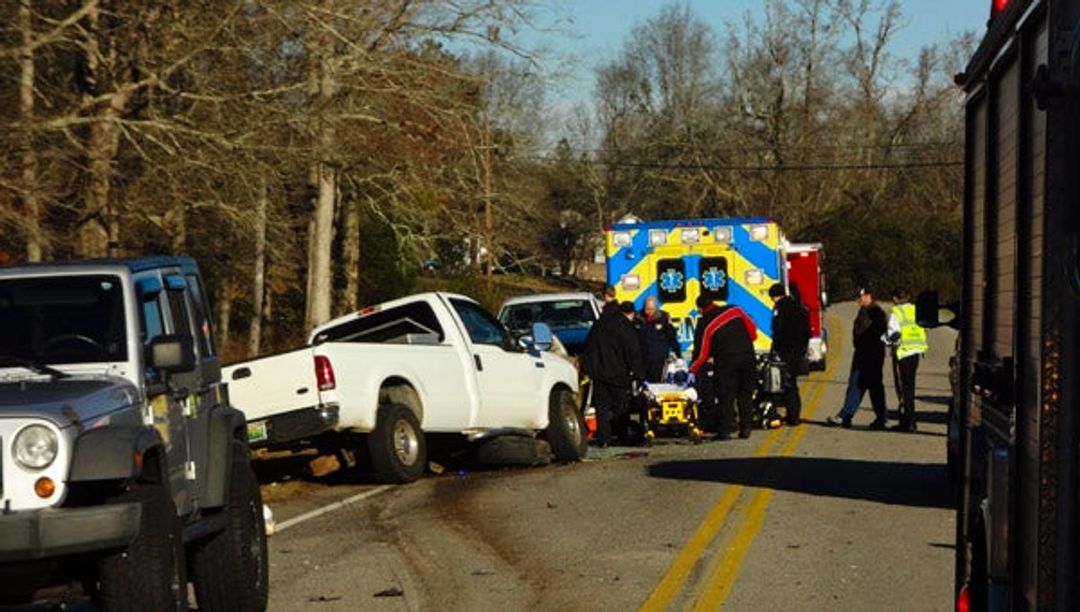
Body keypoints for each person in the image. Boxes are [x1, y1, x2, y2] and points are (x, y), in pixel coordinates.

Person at [690, 298, 758, 439]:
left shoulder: (706, 324)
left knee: (726, 396)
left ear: (700, 309)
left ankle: (725, 430)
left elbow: (702, 353)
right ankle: (746, 428)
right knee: (745, 394)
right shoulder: (735, 310)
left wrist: (692, 369)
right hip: (747, 356)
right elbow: (752, 331)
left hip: (726, 362)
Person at [580, 300, 646, 446]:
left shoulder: (598, 325)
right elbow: (632, 352)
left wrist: (587, 369)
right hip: (618, 373)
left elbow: (588, 348)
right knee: (621, 407)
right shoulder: (624, 328)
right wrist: (639, 374)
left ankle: (604, 438)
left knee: (601, 408)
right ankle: (622, 436)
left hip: (598, 373)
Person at [827, 286, 888, 429]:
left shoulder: (876, 313)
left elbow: (877, 334)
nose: (858, 300)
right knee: (857, 385)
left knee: (871, 386)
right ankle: (847, 416)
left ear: (869, 296)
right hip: (863, 353)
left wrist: (868, 347)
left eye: (861, 297)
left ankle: (877, 418)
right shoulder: (864, 311)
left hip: (871, 354)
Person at [885, 288, 928, 432]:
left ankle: (908, 422)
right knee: (910, 387)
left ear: (896, 299)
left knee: (903, 389)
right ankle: (909, 420)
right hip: (916, 351)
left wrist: (884, 339)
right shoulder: (916, 309)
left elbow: (894, 335)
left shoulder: (896, 312)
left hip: (902, 353)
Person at [768, 283, 811, 426]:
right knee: (792, 383)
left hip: (786, 352)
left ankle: (787, 416)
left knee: (784, 384)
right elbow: (807, 332)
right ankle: (794, 416)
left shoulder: (780, 310)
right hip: (798, 352)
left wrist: (776, 349)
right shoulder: (799, 307)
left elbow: (778, 331)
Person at [637, 295, 681, 383]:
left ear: (656, 308)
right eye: (647, 308)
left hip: (659, 357)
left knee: (658, 381)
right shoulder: (638, 317)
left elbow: (671, 336)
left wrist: (678, 353)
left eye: (651, 309)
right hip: (643, 356)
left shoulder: (663, 317)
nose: (649, 311)